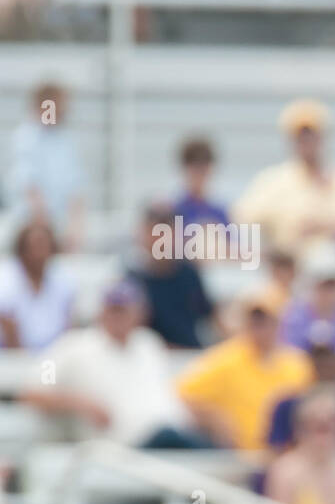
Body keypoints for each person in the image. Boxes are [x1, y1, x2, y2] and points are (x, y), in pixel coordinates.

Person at [20, 280, 208, 448]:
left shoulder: (148, 343)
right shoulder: (76, 346)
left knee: (219, 449)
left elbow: (167, 393)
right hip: (123, 443)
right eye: (114, 310)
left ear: (139, 313)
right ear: (102, 311)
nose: (118, 317)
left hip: (170, 432)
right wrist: (80, 403)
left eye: (124, 310)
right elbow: (34, 390)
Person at [175, 289, 314, 451]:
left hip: (284, 453)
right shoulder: (225, 358)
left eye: (266, 321)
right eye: (256, 321)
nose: (261, 328)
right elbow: (184, 394)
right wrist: (214, 420)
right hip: (240, 455)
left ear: (278, 323)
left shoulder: (297, 363)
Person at [231, 99, 335, 253]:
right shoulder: (273, 181)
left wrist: (324, 225)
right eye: (301, 136)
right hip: (292, 267)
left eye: (311, 135)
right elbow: (244, 218)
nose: (307, 141)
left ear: (323, 137)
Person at [4, 81, 86, 250]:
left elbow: (76, 189)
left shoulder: (66, 141)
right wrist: (45, 229)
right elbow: (29, 186)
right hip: (31, 227)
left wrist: (75, 228)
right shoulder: (26, 137)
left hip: (59, 228)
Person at [128, 202, 215, 349]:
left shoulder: (189, 274)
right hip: (149, 359)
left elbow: (210, 316)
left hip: (189, 355)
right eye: (154, 231)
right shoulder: (133, 279)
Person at [0, 219, 74, 349]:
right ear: (22, 250)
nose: (41, 252)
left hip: (52, 358)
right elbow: (9, 333)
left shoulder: (62, 279)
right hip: (12, 359)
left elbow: (68, 328)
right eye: (36, 246)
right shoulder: (6, 279)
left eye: (46, 246)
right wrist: (30, 365)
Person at [172, 136, 230, 228]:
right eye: (195, 171)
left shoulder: (219, 213)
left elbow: (232, 240)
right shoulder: (173, 211)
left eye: (203, 171)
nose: (199, 177)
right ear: (185, 170)